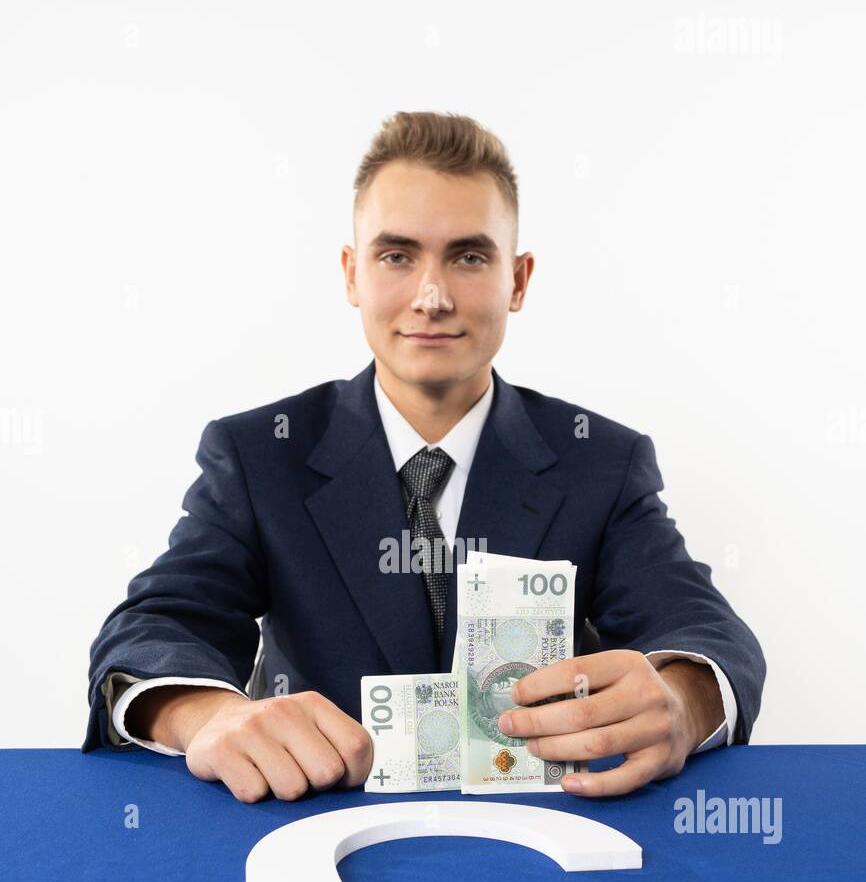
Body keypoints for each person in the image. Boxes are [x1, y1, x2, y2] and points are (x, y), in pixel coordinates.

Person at [83, 110, 765, 802]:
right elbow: (156, 625)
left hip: (536, 830)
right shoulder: (259, 456)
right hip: (303, 823)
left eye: (469, 257)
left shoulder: (601, 462)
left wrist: (681, 702)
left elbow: (702, 628)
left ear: (519, 280)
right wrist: (208, 717)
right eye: (397, 256)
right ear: (352, 274)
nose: (431, 297)